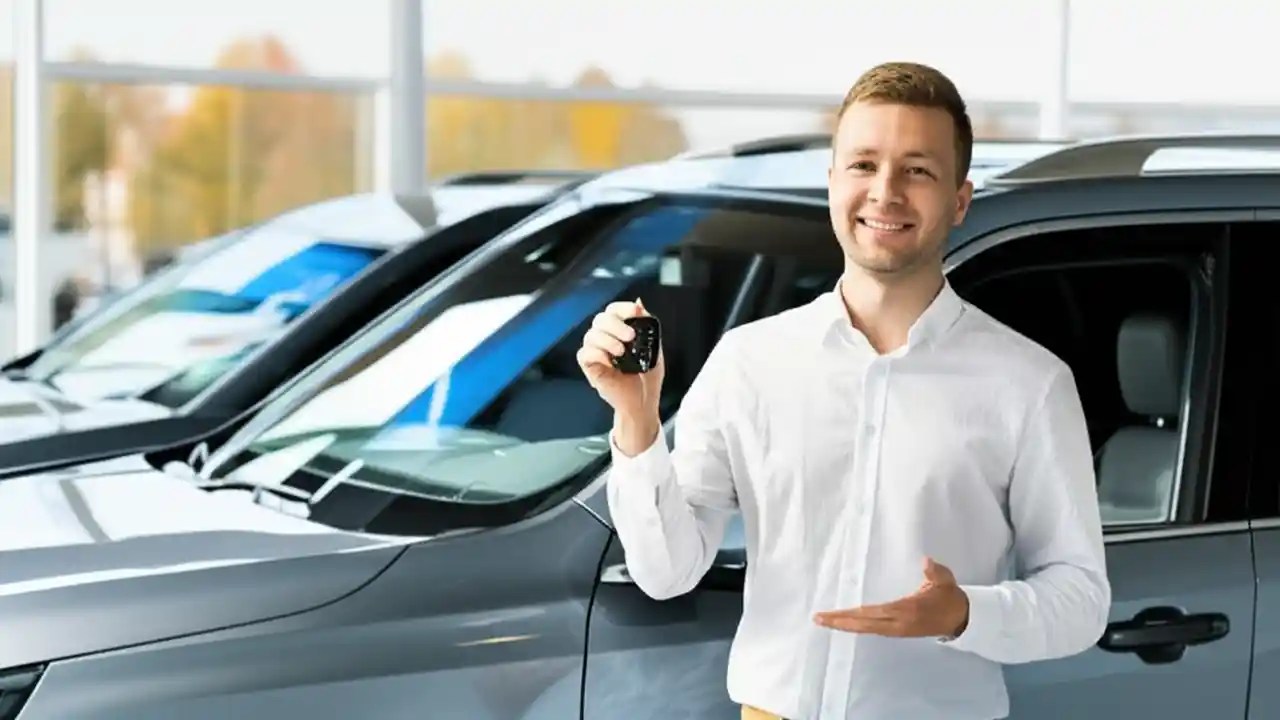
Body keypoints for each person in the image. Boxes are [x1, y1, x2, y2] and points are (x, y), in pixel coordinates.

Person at [577, 61, 1111, 720]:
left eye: (917, 170)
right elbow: (667, 573)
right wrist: (636, 422)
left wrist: (968, 612)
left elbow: (1081, 599)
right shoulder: (750, 362)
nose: (885, 191)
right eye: (863, 164)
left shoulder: (1028, 384)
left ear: (960, 200)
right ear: (833, 182)